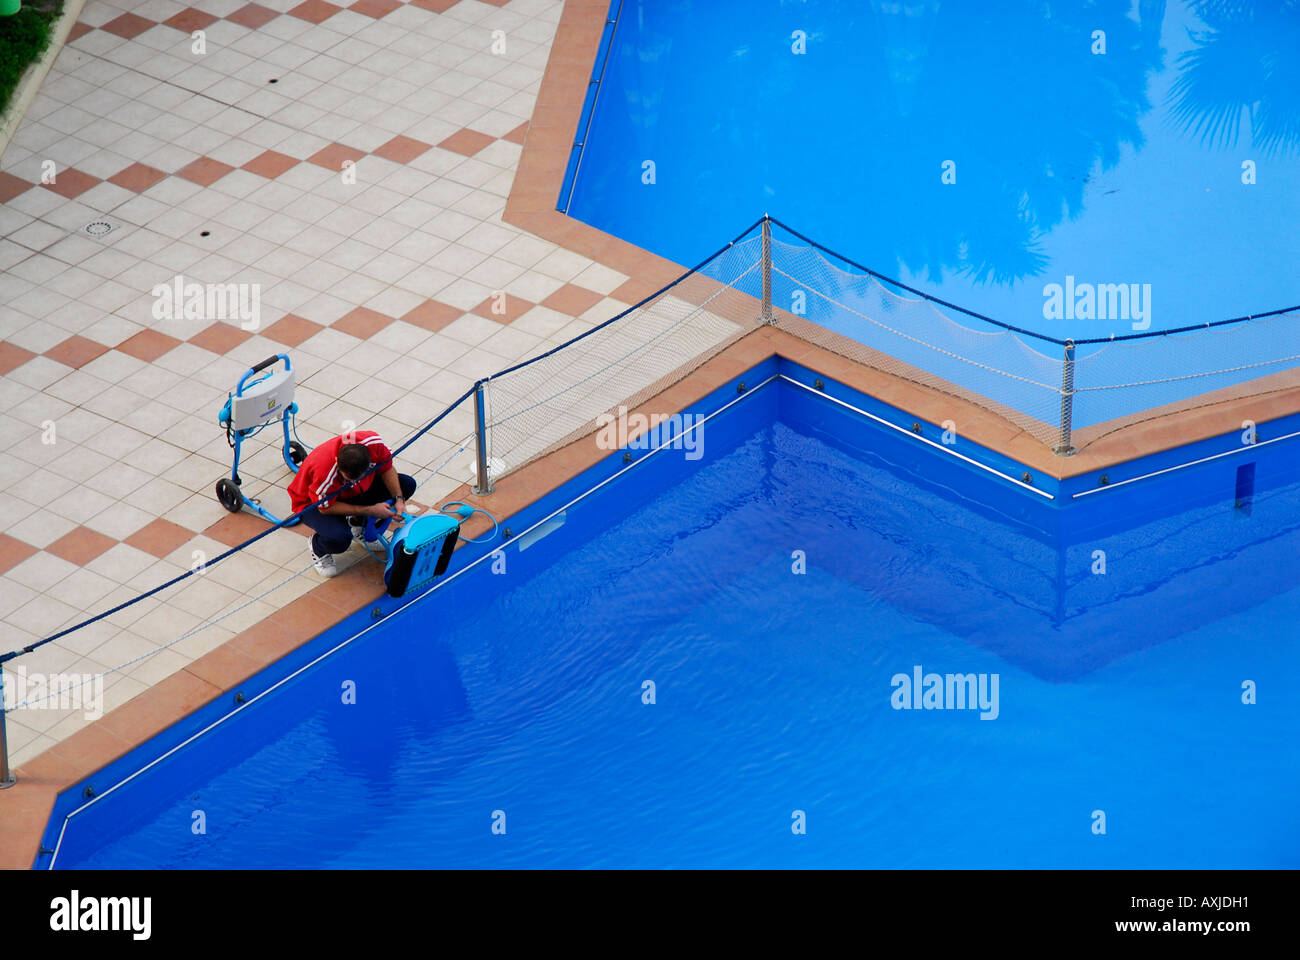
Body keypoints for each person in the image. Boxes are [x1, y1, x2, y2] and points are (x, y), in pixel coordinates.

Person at [288, 429, 417, 577]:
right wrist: (370, 510)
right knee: (340, 539)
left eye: (359, 477)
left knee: (407, 484)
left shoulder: (373, 444)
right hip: (314, 503)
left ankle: (358, 525)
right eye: (349, 479)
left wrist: (399, 499)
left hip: (351, 493)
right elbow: (325, 508)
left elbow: (386, 467)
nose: (354, 481)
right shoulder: (325, 473)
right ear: (337, 461)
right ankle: (318, 546)